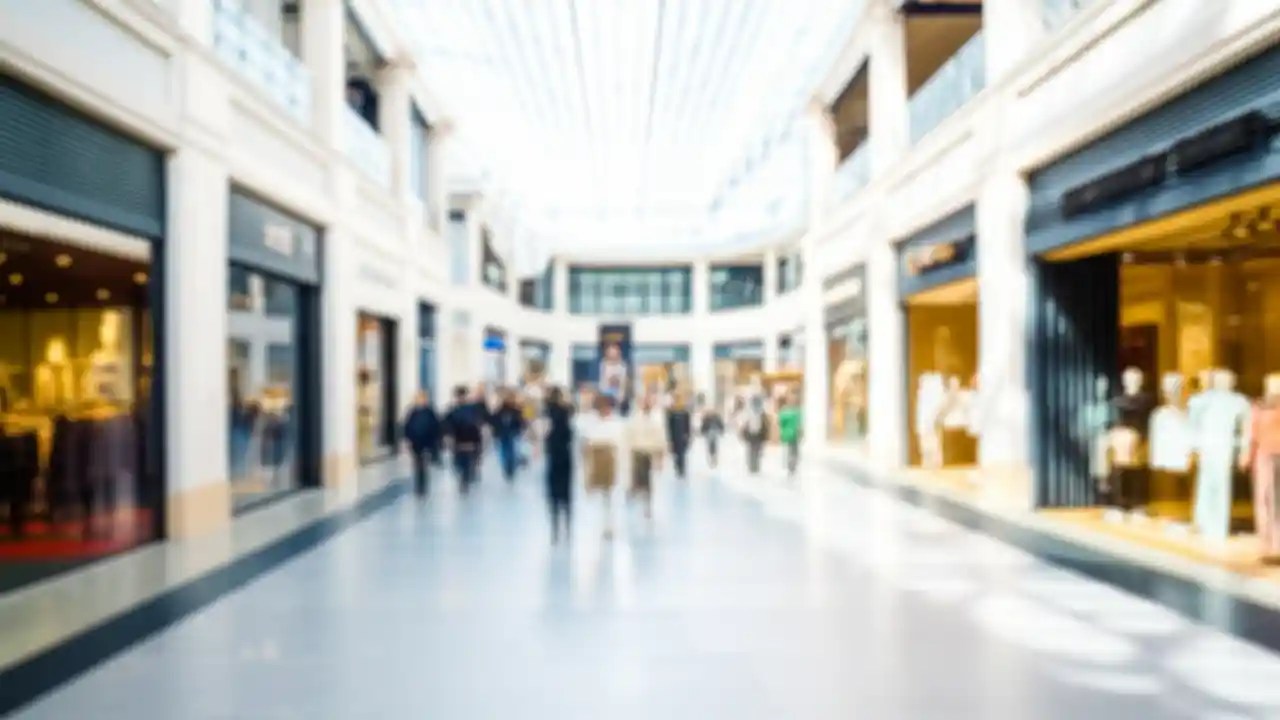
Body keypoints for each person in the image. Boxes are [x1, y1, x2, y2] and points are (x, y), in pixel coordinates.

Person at [579, 394, 624, 539]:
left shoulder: (615, 422)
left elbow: (619, 441)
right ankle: (598, 525)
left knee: (609, 494)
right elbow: (586, 442)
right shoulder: (590, 421)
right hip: (595, 457)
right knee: (595, 494)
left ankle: (609, 525)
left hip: (609, 458)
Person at [625, 394, 666, 520]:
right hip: (637, 452)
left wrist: (660, 455)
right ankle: (634, 494)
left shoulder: (654, 420)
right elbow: (629, 436)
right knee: (637, 478)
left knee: (647, 481)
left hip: (647, 453)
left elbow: (660, 438)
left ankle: (646, 506)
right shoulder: (635, 420)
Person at [543, 387, 575, 544]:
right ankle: (567, 525)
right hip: (565, 455)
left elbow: (543, 434)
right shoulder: (566, 412)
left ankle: (555, 526)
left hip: (553, 456)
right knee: (566, 491)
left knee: (553, 491)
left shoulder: (547, 414)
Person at [443, 385, 484, 493]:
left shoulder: (471, 409)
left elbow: (478, 425)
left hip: (469, 441)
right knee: (459, 463)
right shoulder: (453, 410)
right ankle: (464, 478)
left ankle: (465, 479)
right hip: (459, 441)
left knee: (466, 462)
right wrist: (448, 436)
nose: (461, 398)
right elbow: (446, 425)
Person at [402, 390, 442, 497]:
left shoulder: (430, 412)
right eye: (418, 398)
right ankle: (418, 486)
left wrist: (435, 442)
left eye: (421, 398)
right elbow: (407, 426)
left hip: (427, 442)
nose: (420, 400)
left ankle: (423, 486)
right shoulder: (412, 412)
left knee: (423, 464)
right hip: (415, 443)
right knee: (417, 464)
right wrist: (407, 440)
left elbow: (436, 427)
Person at [491, 389, 526, 482]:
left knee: (512, 450)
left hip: (512, 433)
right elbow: (494, 421)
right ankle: (508, 466)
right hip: (503, 434)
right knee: (504, 450)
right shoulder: (499, 411)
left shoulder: (516, 410)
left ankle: (511, 466)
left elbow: (521, 422)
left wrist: (520, 429)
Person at [666, 392, 693, 479]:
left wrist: (688, 434)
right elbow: (669, 426)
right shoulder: (671, 412)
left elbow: (688, 424)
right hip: (674, 436)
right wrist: (669, 439)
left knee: (682, 453)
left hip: (682, 435)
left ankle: (682, 469)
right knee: (676, 453)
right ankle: (678, 467)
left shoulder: (685, 412)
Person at [778, 392, 803, 479]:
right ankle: (791, 466)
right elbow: (781, 422)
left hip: (792, 434)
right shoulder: (794, 411)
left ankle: (792, 466)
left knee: (792, 451)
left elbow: (781, 422)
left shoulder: (787, 411)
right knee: (792, 451)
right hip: (791, 434)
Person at [742, 394, 769, 475]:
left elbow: (765, 424)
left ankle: (755, 466)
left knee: (756, 451)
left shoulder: (761, 412)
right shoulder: (749, 412)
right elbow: (745, 424)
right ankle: (752, 466)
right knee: (752, 450)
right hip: (752, 434)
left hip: (758, 434)